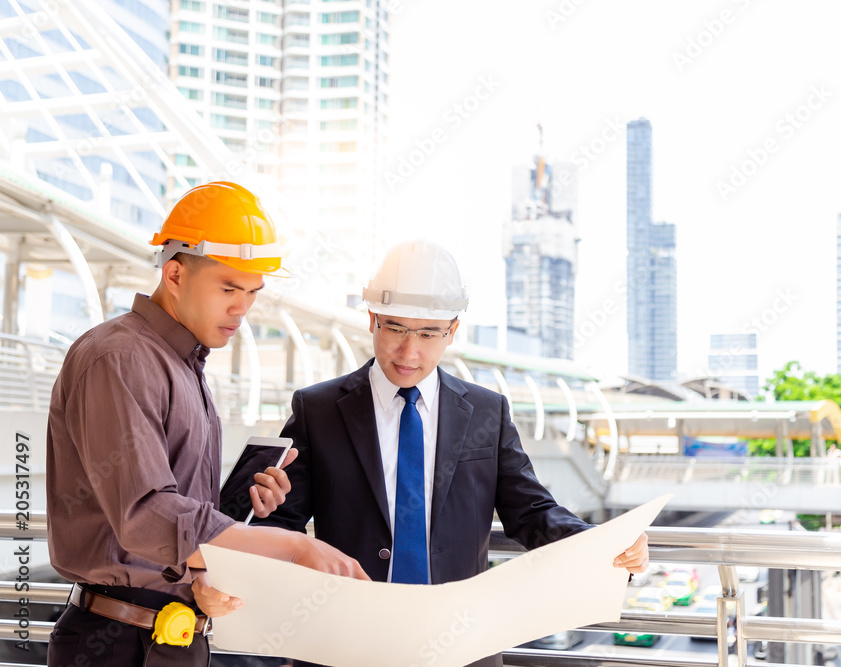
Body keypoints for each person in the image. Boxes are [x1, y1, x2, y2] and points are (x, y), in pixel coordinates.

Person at [230, 240, 649, 667]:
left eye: (429, 333)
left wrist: (604, 545)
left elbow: (531, 512)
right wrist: (256, 505)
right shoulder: (317, 409)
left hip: (460, 645)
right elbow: (278, 522)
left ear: (452, 331)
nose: (409, 352)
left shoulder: (487, 411)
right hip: (346, 643)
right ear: (372, 319)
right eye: (395, 328)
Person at [45, 182, 368, 667]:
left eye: (253, 292)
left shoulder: (183, 364)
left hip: (172, 635)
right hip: (117, 643)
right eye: (228, 288)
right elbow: (145, 517)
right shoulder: (120, 358)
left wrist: (240, 508)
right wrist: (292, 547)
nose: (243, 308)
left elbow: (174, 526)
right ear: (174, 273)